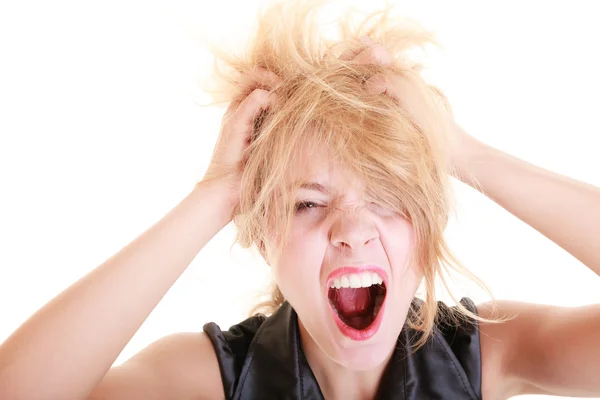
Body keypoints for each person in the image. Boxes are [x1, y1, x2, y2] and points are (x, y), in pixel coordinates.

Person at [1, 1, 599, 399]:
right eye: (307, 204)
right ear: (262, 235)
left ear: (427, 225)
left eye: (388, 198)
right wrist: (215, 198)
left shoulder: (485, 354)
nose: (352, 229)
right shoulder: (212, 377)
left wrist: (469, 155)